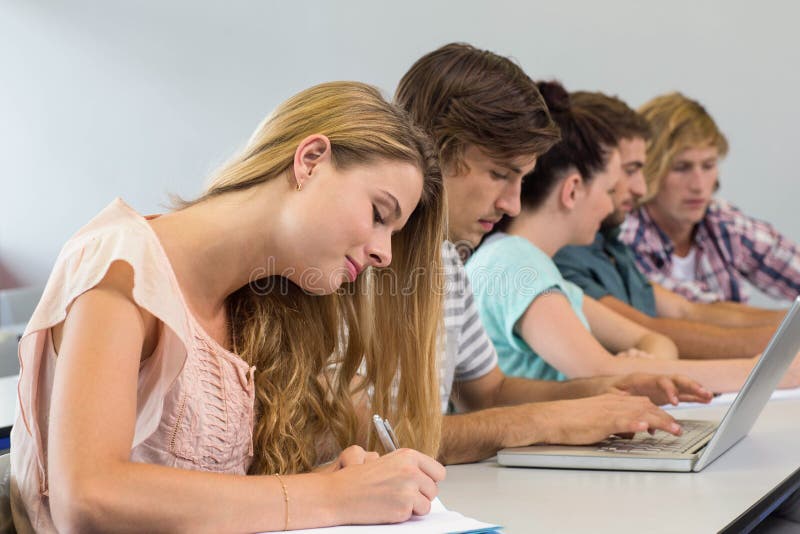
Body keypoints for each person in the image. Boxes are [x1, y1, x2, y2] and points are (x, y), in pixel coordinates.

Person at [10, 82, 448, 533]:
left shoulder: (258, 304)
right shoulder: (122, 265)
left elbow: (203, 498)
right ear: (311, 160)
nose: (385, 254)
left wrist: (334, 481)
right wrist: (328, 497)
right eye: (379, 214)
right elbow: (86, 498)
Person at [395, 44, 711, 466]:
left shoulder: (449, 261)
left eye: (521, 180)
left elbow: (488, 393)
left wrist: (606, 393)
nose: (512, 204)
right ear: (434, 151)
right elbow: (372, 435)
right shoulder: (354, 263)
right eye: (499, 175)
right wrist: (550, 419)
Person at [466, 81, 800, 393]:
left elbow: (653, 343)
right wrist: (767, 372)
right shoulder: (512, 264)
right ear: (572, 191)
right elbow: (604, 373)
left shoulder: (544, 274)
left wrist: (641, 365)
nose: (615, 203)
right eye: (610, 190)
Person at [554, 91, 784, 359]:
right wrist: (782, 350)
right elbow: (649, 332)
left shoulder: (608, 241)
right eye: (629, 171)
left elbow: (687, 311)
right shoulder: (564, 254)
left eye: (708, 165)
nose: (639, 187)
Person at [621, 92, 800, 303]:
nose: (699, 185)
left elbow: (788, 262)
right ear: (649, 169)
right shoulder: (627, 235)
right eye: (681, 168)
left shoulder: (721, 221)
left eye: (708, 166)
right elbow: (696, 318)